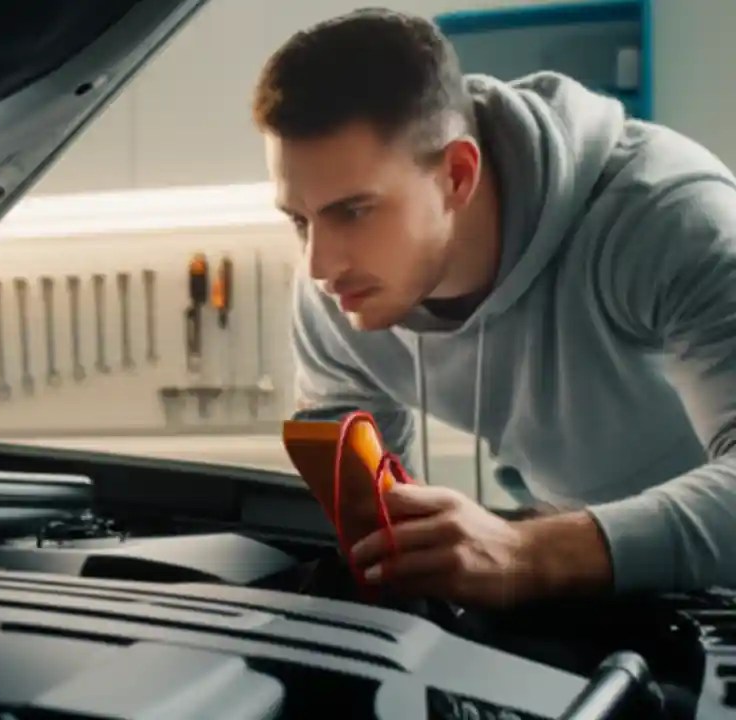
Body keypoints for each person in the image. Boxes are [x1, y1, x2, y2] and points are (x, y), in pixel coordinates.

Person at [252, 8, 736, 608]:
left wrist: (531, 554)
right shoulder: (340, 292)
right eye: (299, 219)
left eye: (353, 211)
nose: (320, 266)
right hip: (586, 596)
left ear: (457, 174)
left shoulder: (669, 219)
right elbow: (379, 525)